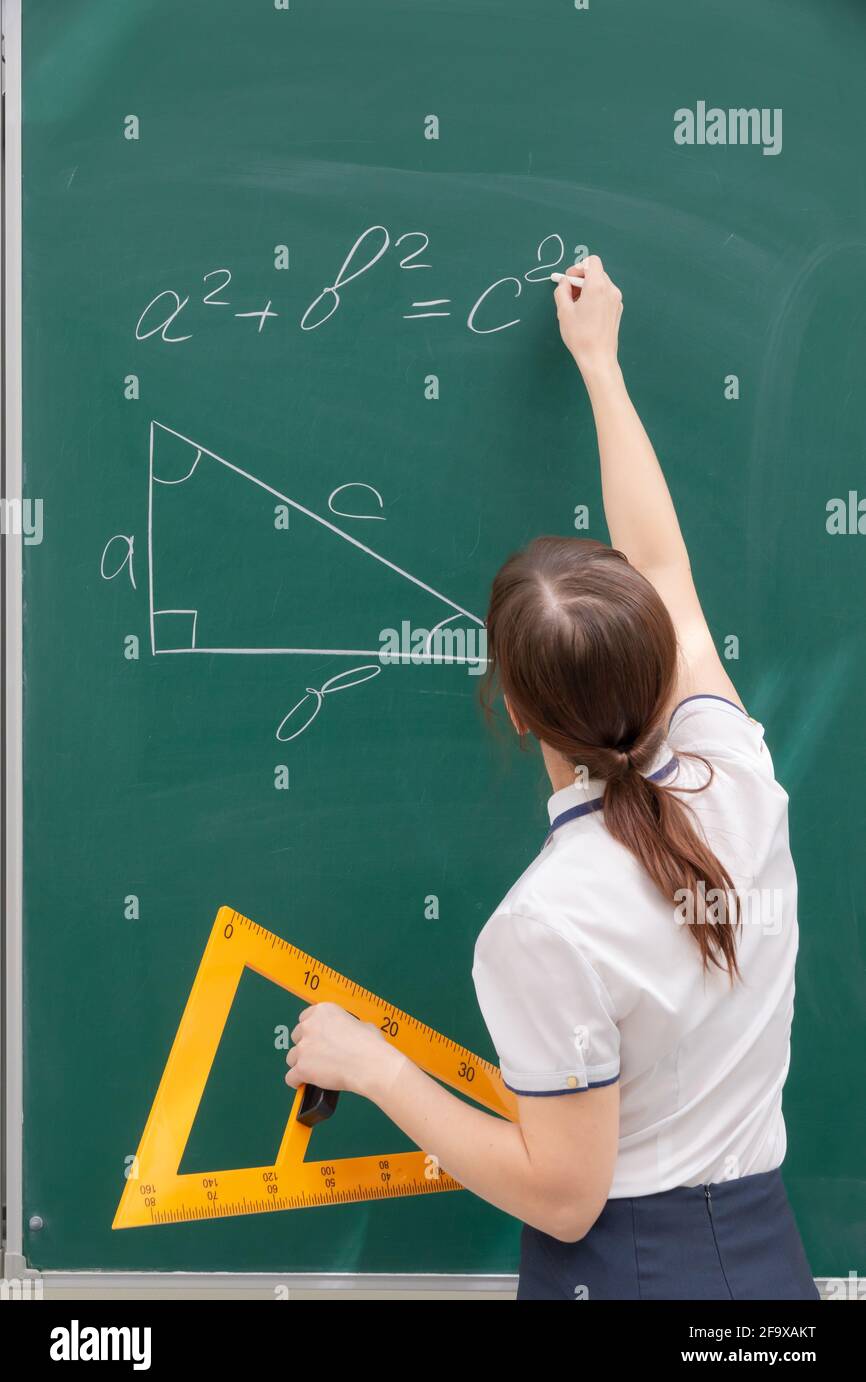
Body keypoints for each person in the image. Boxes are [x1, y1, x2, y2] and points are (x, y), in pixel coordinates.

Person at [285, 255, 817, 1301]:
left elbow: (564, 1195)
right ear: (659, 662)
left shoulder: (548, 921)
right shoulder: (738, 770)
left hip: (631, 1273)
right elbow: (662, 570)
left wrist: (372, 1064)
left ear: (516, 709)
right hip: (765, 1271)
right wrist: (600, 367)